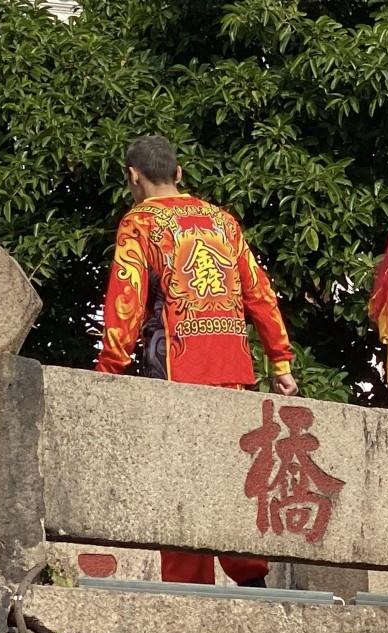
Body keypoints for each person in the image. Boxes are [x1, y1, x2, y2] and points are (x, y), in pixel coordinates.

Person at [96, 135, 298, 587]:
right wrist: (280, 362)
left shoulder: (140, 222)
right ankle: (252, 582)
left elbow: (126, 303)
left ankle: (189, 594)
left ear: (133, 176)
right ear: (179, 173)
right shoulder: (222, 222)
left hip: (176, 375)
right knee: (232, 482)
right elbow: (259, 293)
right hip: (233, 375)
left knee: (181, 489)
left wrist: (108, 372)